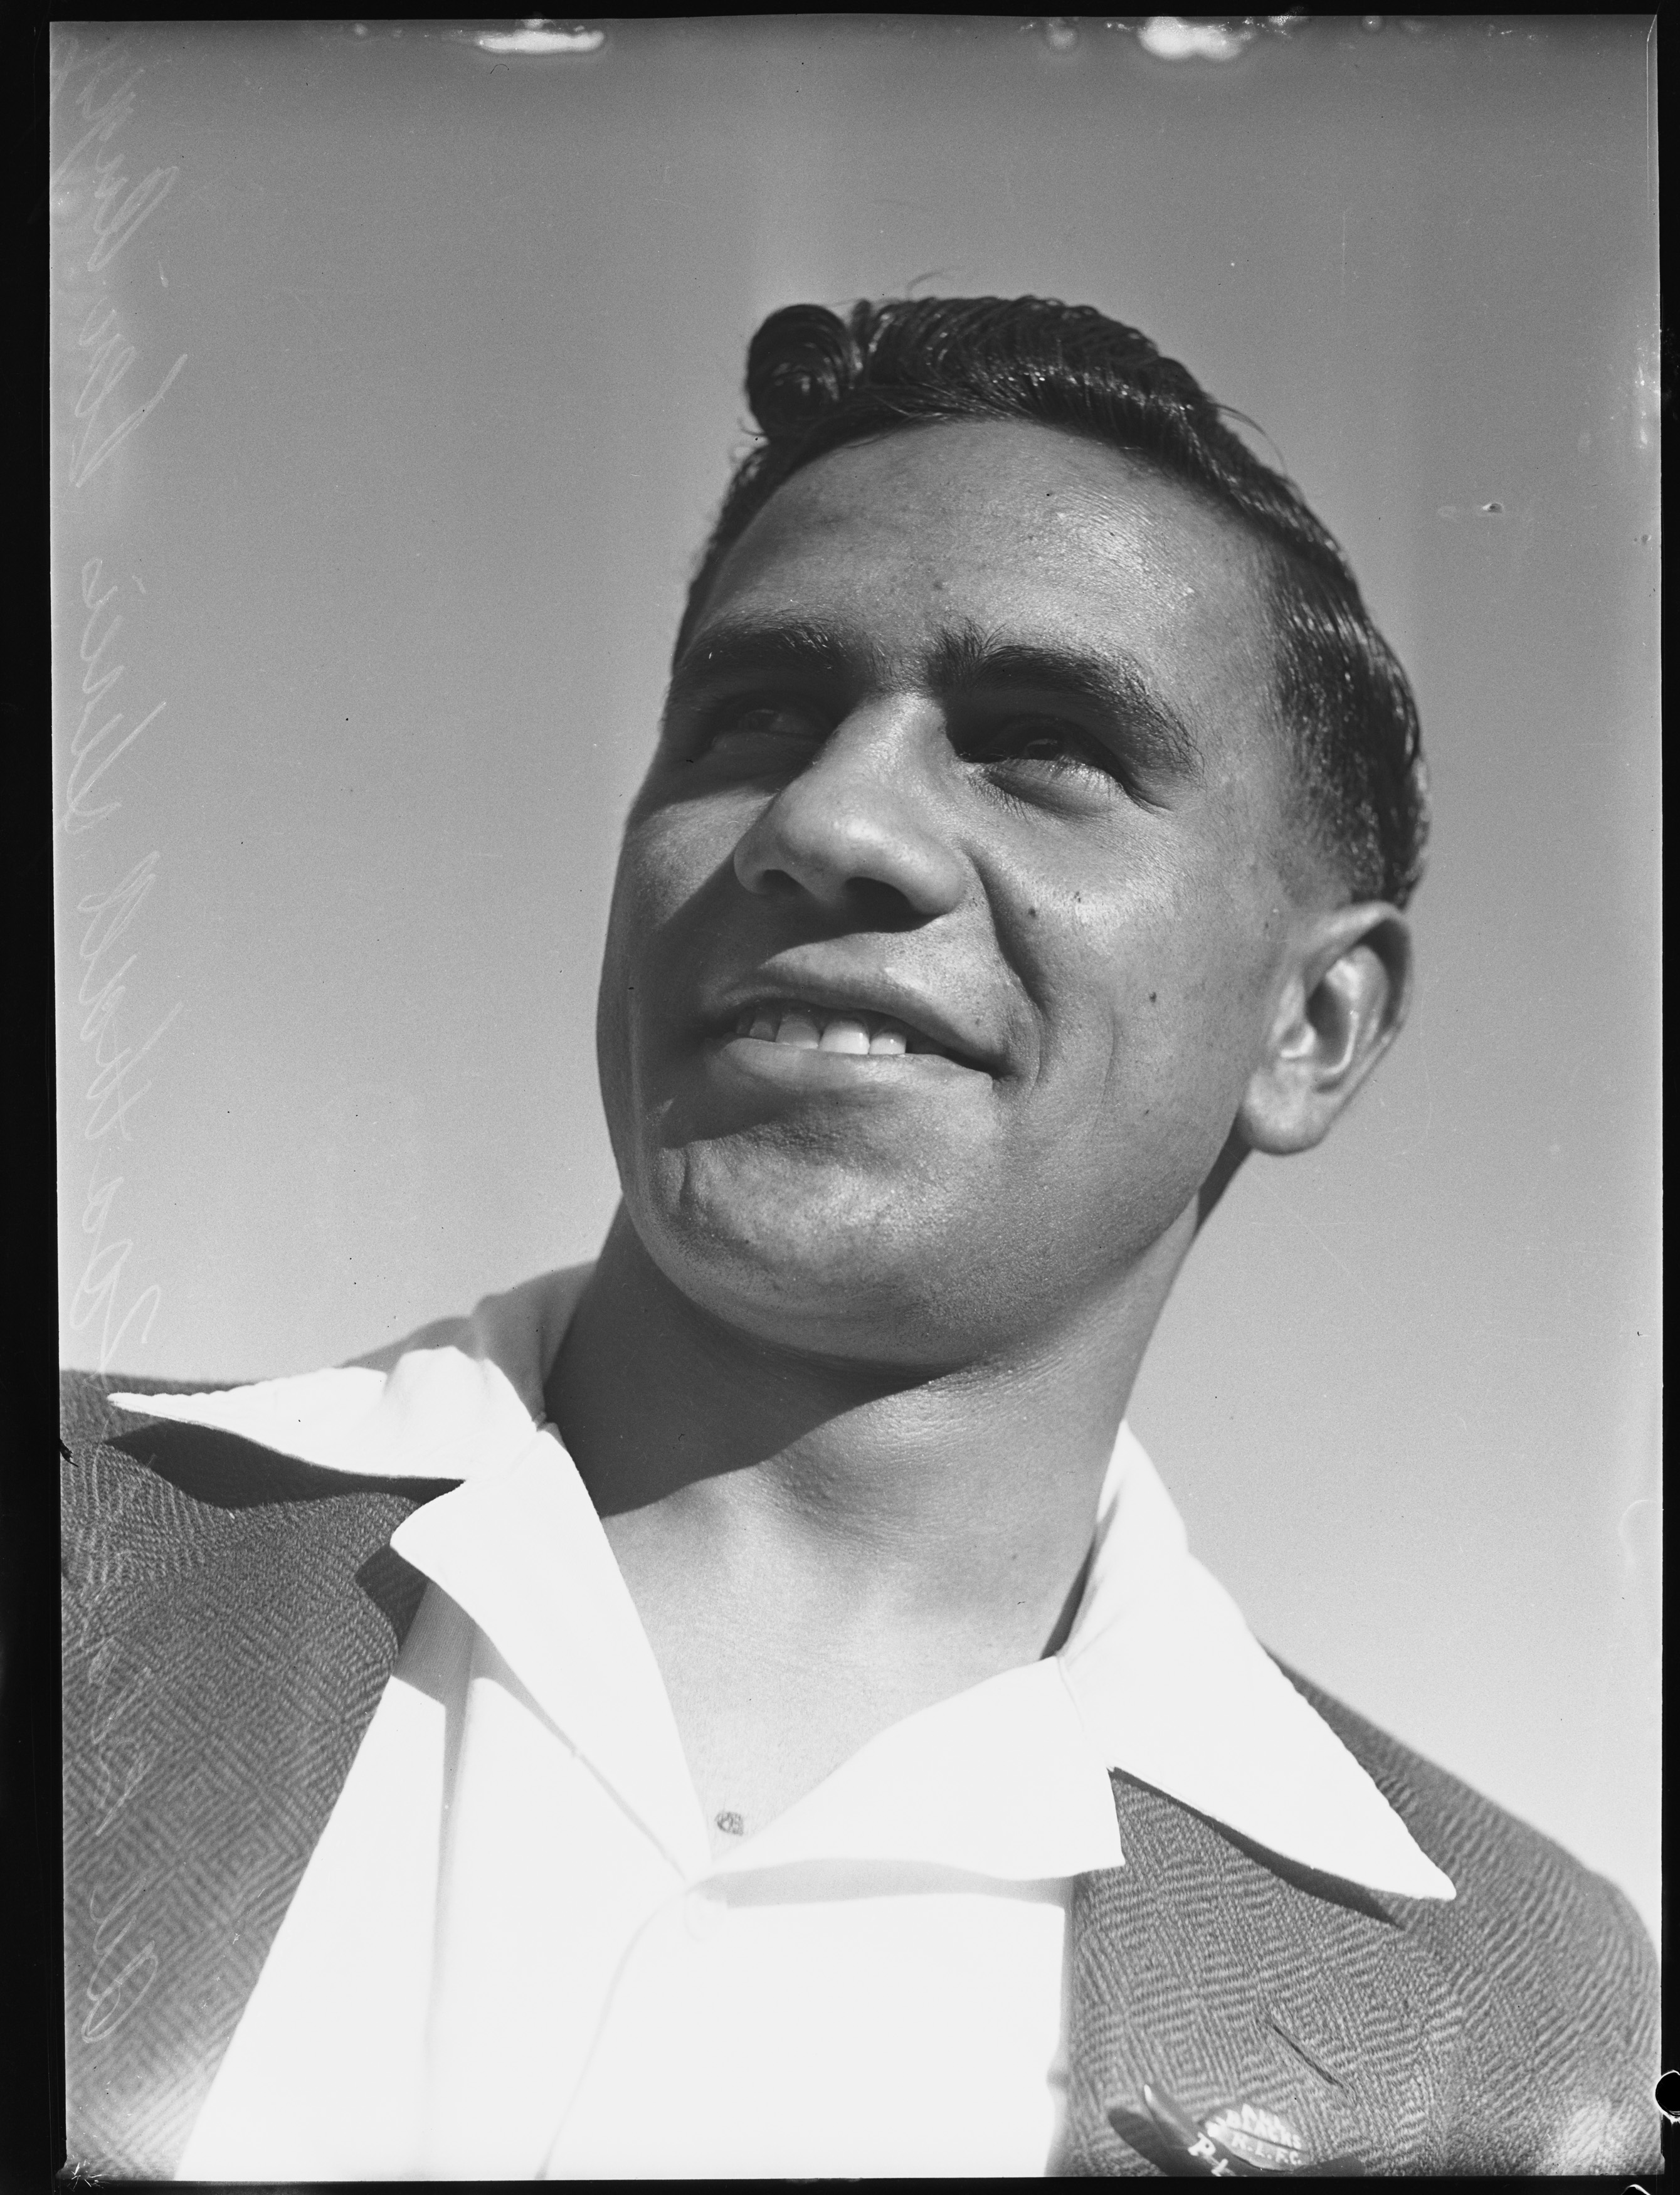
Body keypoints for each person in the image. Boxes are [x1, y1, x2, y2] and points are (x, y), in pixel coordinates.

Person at [60, 296, 1659, 2181]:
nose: (828, 821)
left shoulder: (1534, 2022)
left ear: (1311, 1029)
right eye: (755, 715)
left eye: (1042, 744)